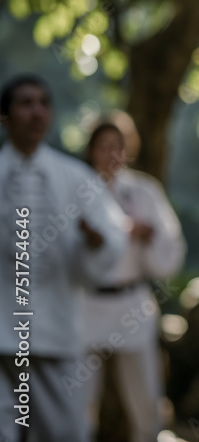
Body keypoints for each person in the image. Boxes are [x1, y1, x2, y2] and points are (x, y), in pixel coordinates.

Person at [0, 75, 127, 442]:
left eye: (43, 103)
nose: (36, 112)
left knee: (65, 431)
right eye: (25, 103)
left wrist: (95, 242)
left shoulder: (76, 178)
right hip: (1, 332)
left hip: (55, 329)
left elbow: (111, 241)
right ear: (5, 116)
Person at [79, 121, 186, 442]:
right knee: (79, 397)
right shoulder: (78, 188)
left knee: (145, 397)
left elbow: (170, 249)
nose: (111, 153)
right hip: (86, 303)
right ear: (91, 150)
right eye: (103, 146)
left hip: (132, 301)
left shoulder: (145, 190)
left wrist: (148, 236)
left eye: (118, 145)